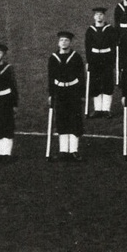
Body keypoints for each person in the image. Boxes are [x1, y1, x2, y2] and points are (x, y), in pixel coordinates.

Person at [47, 31, 86, 161]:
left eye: (66, 40)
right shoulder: (53, 58)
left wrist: (81, 94)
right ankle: (63, 150)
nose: (64, 42)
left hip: (73, 91)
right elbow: (51, 78)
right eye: (62, 40)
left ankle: (74, 150)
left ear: (70, 42)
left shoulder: (76, 57)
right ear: (58, 43)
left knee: (74, 119)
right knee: (62, 119)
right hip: (59, 92)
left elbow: (81, 77)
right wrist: (51, 94)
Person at [85, 7, 117, 118]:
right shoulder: (90, 30)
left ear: (104, 16)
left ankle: (106, 109)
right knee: (96, 83)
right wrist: (88, 61)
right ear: (94, 17)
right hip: (94, 59)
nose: (99, 16)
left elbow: (113, 47)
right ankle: (98, 109)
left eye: (101, 14)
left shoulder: (109, 29)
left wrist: (113, 61)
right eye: (97, 15)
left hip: (107, 58)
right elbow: (87, 47)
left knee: (107, 82)